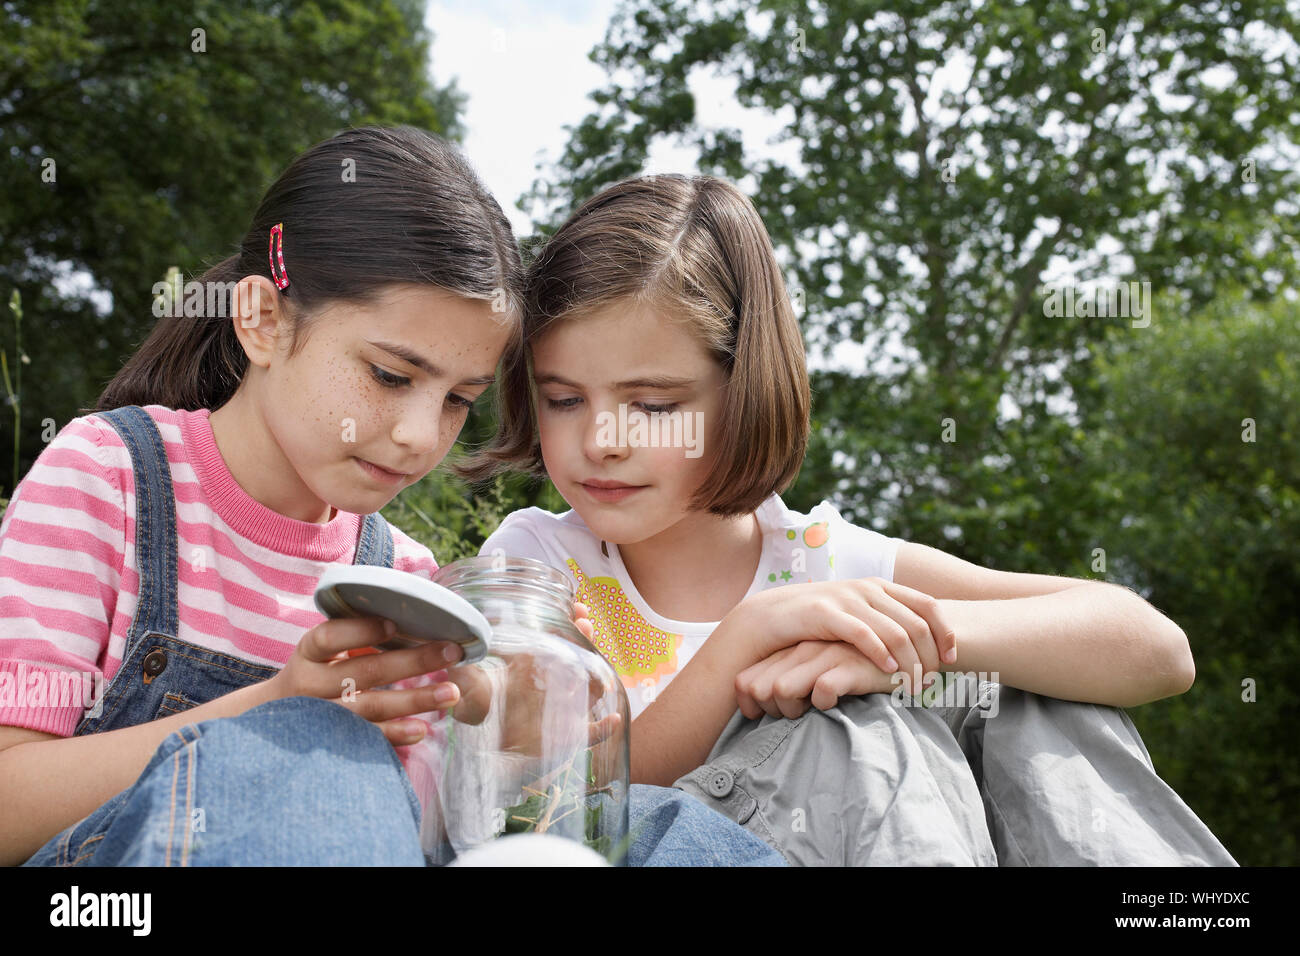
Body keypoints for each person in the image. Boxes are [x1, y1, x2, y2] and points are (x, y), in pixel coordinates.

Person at [0, 129, 782, 867]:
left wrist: (515, 727)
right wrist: (277, 707)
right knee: (308, 760)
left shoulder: (410, 578)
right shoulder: (111, 479)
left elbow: (429, 836)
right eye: (391, 376)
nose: (419, 435)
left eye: (458, 400)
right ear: (263, 318)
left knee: (669, 832)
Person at [463, 173, 1238, 865]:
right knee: (866, 723)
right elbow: (566, 804)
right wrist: (749, 639)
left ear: (745, 392)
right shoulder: (534, 564)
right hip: (681, 847)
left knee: (1028, 691)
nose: (601, 440)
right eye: (564, 399)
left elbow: (1159, 651)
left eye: (654, 406)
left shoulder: (821, 561)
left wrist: (904, 654)